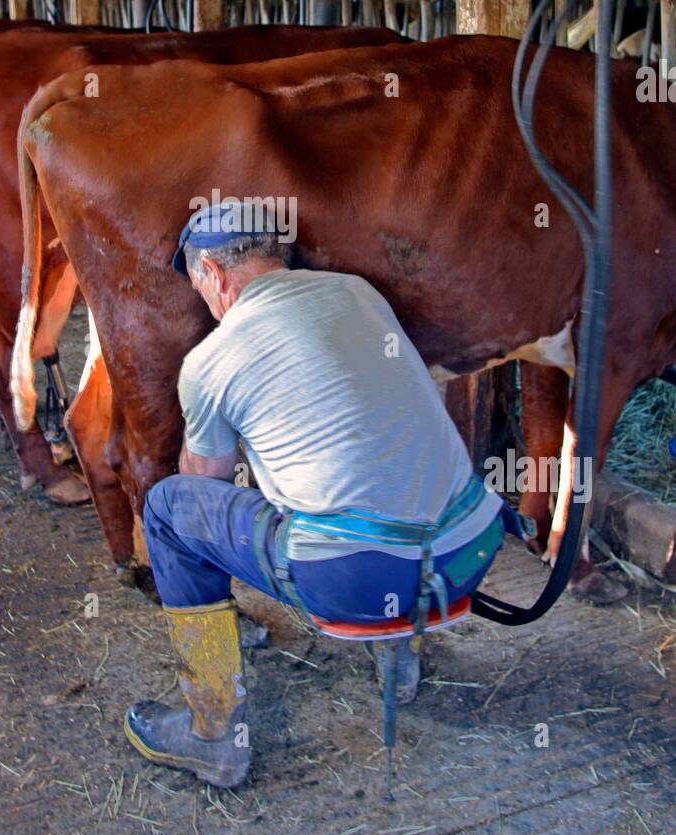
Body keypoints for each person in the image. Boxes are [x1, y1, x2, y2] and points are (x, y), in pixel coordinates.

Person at [124, 201, 514, 787]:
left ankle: (213, 732)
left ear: (213, 271)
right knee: (379, 475)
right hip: (465, 554)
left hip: (357, 577)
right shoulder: (358, 293)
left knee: (169, 509)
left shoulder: (208, 362)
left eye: (200, 286)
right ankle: (397, 653)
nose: (206, 302)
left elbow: (205, 489)